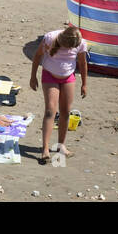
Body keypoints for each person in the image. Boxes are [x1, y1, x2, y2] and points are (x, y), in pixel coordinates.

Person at [29, 25, 88, 164]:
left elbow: (83, 63)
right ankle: (45, 149)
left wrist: (84, 84)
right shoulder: (50, 38)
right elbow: (37, 56)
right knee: (50, 110)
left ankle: (61, 146)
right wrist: (33, 77)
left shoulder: (81, 43)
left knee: (66, 112)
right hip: (49, 75)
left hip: (68, 76)